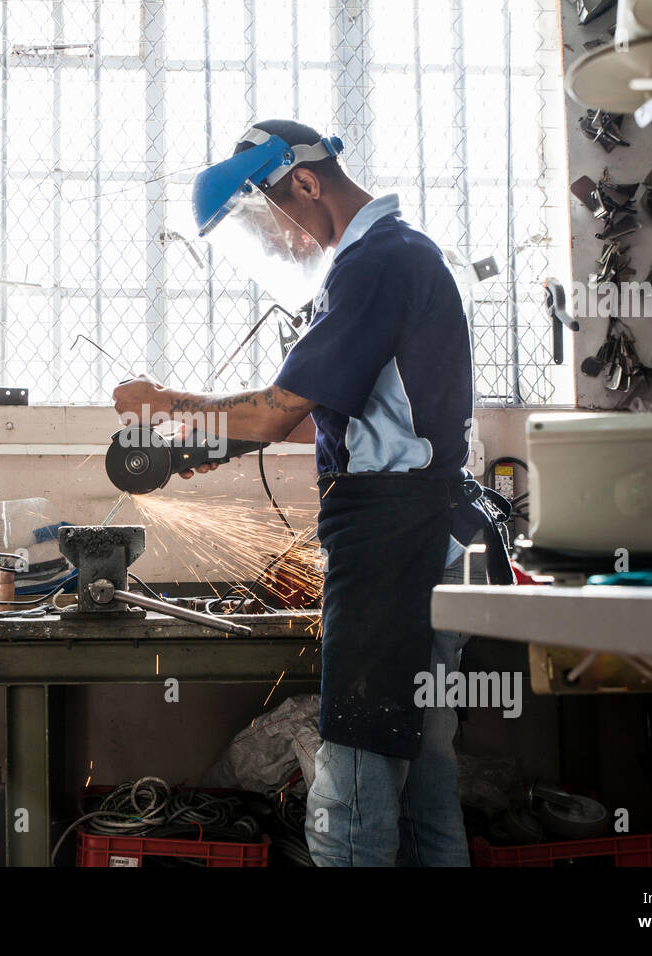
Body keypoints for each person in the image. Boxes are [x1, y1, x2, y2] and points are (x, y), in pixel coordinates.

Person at [112, 119, 510, 866]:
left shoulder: (377, 264)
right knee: (424, 787)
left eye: (267, 224)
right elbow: (308, 419)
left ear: (304, 181)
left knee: (351, 794)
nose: (278, 246)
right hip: (427, 539)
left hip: (396, 549)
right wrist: (192, 424)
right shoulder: (393, 258)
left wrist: (175, 416)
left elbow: (274, 414)